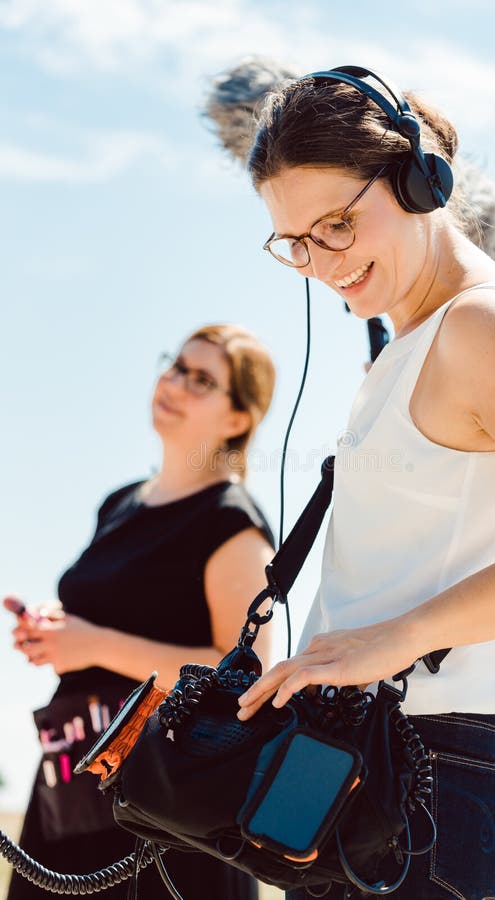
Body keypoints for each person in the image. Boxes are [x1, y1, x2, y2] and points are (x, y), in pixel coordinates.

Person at [234, 67, 495, 899]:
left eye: (337, 223)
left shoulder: (482, 325)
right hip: (373, 757)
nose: (321, 263)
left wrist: (399, 638)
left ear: (417, 178)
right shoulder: (415, 344)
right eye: (296, 242)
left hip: (440, 766)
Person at [5, 323, 276, 900]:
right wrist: (57, 631)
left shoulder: (234, 524)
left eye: (201, 378)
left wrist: (94, 643)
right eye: (175, 365)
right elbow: (114, 615)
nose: (174, 382)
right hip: (71, 782)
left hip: (166, 813)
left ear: (237, 419)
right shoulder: (119, 503)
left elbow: (241, 681)